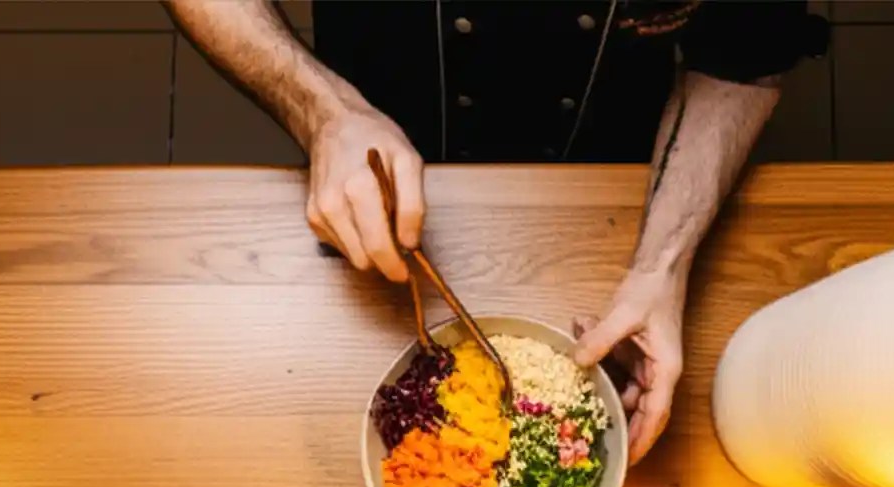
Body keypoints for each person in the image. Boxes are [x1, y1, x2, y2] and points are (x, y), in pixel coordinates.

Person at [168, 0, 828, 463]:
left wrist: (663, 264)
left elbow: (744, 56)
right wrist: (323, 111)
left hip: (610, 181)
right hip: (375, 138)